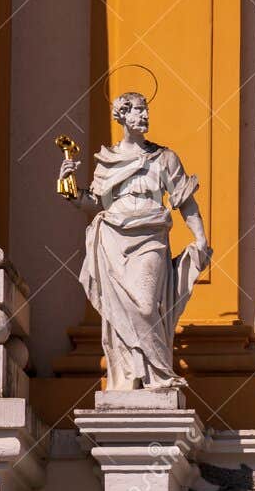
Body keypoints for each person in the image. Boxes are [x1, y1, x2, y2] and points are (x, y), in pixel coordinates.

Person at [58, 92, 212, 391]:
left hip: (151, 235)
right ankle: (131, 378)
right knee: (117, 311)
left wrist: (201, 237)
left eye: (146, 111)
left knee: (144, 306)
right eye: (139, 111)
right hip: (113, 237)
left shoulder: (164, 158)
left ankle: (159, 372)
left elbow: (185, 201)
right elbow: (95, 201)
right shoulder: (108, 161)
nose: (145, 116)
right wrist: (70, 190)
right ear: (123, 115)